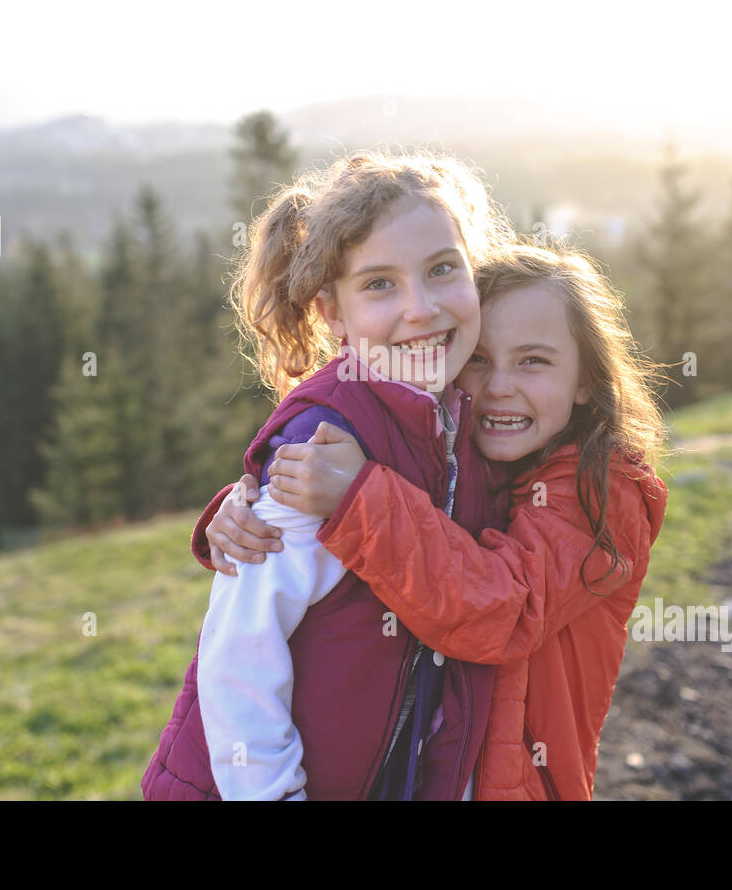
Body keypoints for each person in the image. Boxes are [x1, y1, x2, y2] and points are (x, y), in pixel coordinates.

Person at [203, 243, 669, 799]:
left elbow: (503, 606)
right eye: (478, 359)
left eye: (533, 361)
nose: (498, 385)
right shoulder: (484, 460)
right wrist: (256, 502)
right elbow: (430, 515)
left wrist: (356, 498)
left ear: (586, 380)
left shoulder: (606, 491)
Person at [141, 148, 521, 800]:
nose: (422, 308)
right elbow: (239, 656)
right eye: (380, 284)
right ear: (331, 315)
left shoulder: (473, 420)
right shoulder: (323, 446)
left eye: (442, 270)